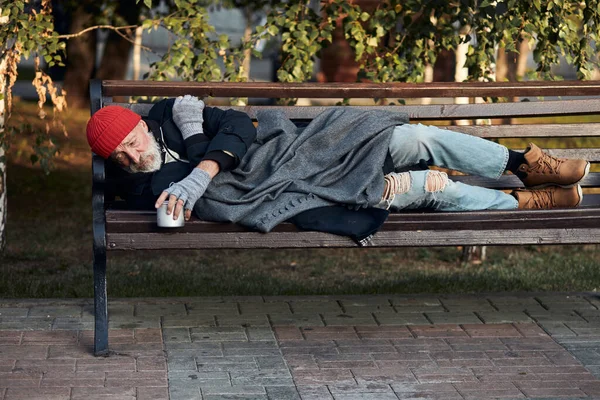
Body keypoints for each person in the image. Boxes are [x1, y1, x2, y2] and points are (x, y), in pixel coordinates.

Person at [86, 95, 589, 242]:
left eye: (132, 142)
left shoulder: (175, 118)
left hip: (307, 149)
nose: (132, 156)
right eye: (121, 157)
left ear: (142, 126)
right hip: (300, 191)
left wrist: (202, 159)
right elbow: (166, 187)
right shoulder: (132, 182)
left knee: (418, 137)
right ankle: (521, 201)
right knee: (427, 186)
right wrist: (196, 178)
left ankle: (526, 164)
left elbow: (240, 125)